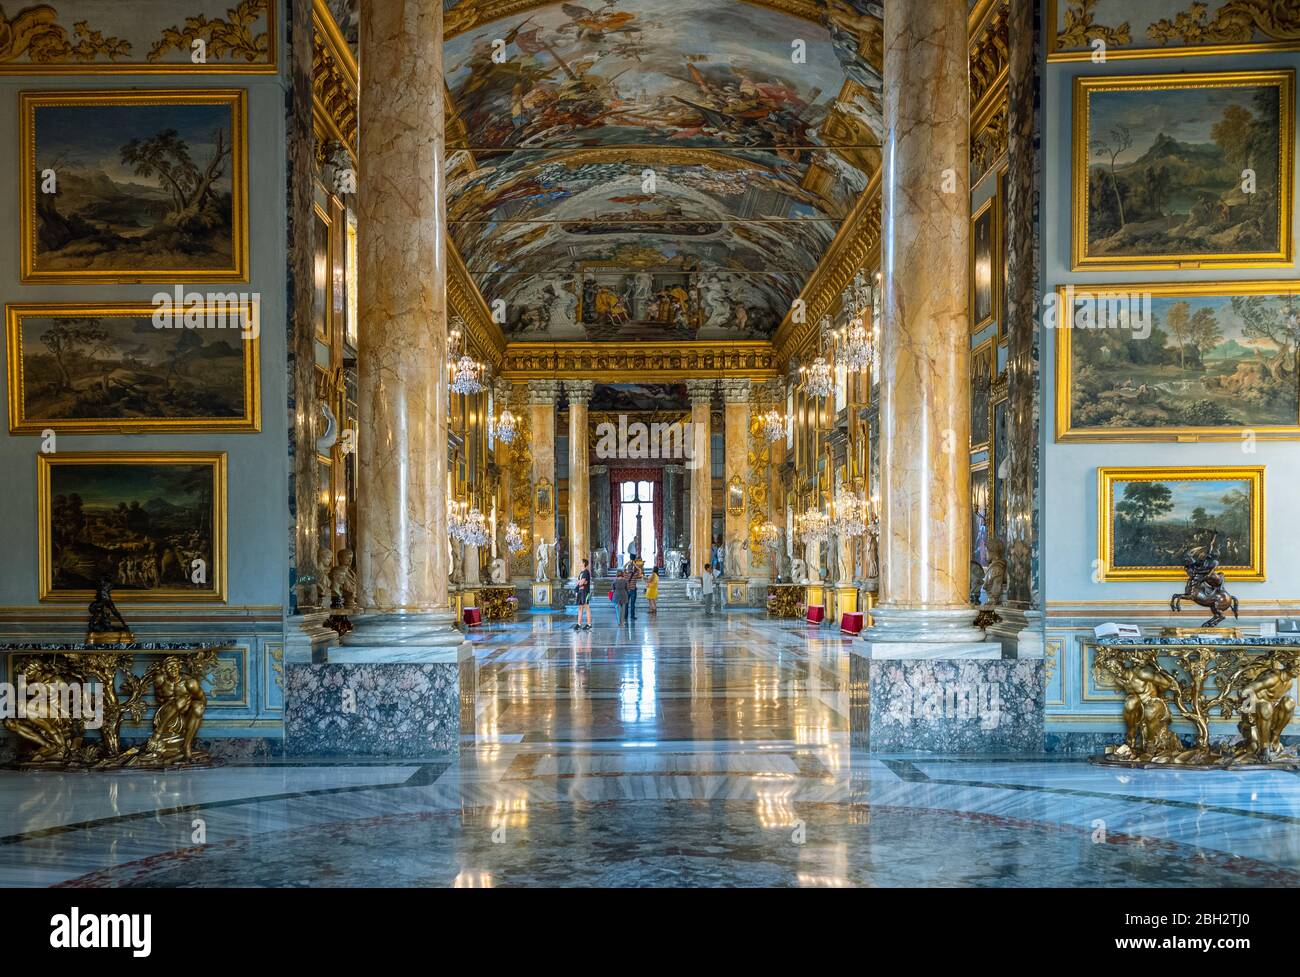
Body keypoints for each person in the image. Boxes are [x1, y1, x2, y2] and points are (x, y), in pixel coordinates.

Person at [574, 558, 592, 631]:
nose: (579, 563)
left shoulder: (586, 572)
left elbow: (582, 582)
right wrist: (580, 582)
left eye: (580, 562)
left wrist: (580, 582)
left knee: (586, 607)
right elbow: (579, 582)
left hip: (585, 592)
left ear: (584, 563)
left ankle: (589, 624)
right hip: (581, 591)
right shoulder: (581, 573)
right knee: (580, 608)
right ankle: (579, 624)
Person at [627, 558, 643, 622]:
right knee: (632, 604)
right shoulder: (635, 575)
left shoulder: (625, 574)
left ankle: (625, 616)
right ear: (632, 568)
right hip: (633, 590)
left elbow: (623, 568)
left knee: (626, 604)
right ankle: (632, 616)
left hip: (627, 591)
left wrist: (628, 562)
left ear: (628, 569)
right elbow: (640, 570)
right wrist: (634, 564)